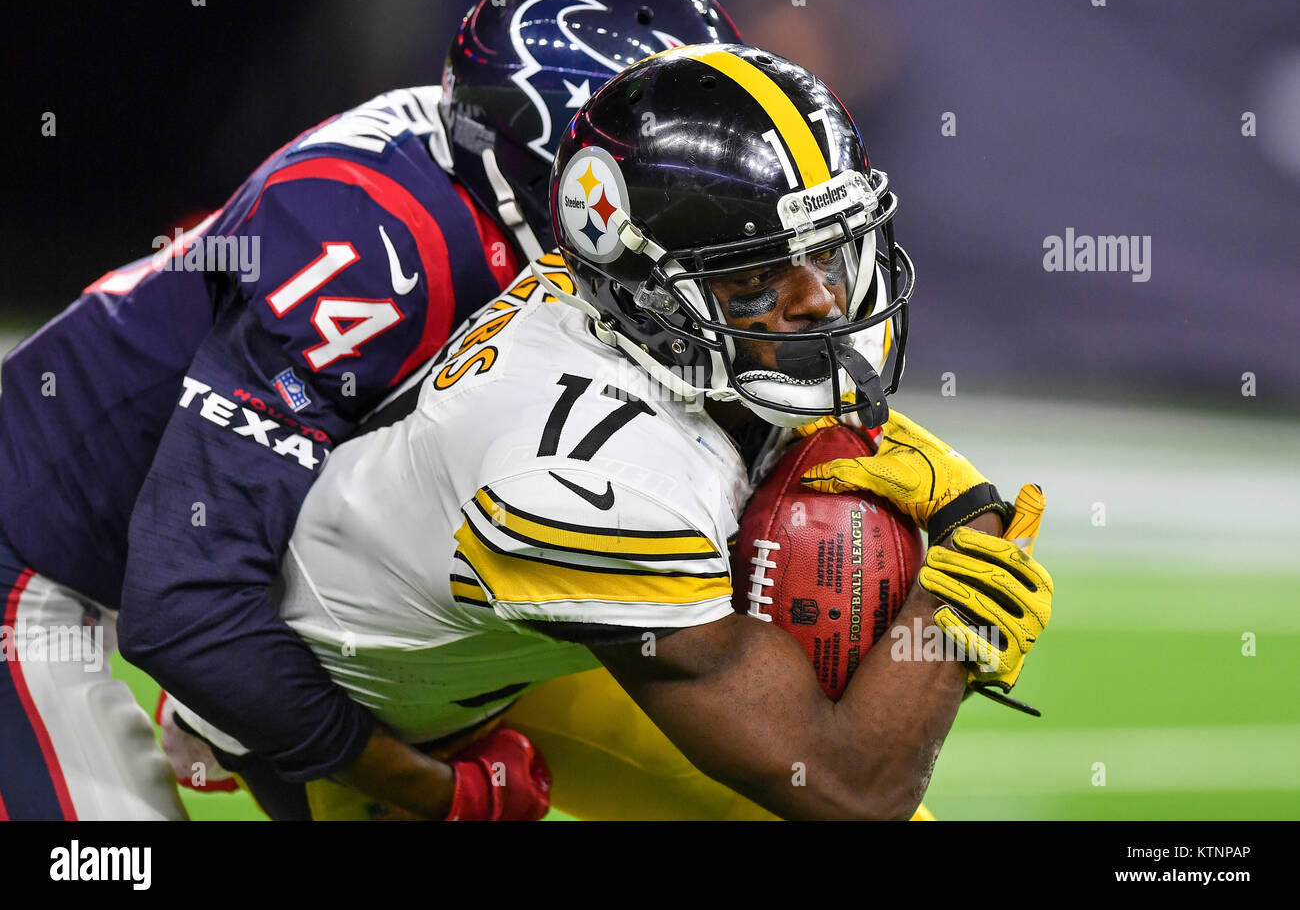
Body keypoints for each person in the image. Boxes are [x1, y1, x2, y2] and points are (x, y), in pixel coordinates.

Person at [204, 43, 1054, 820]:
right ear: (644, 294)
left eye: (827, 252)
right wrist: (958, 585)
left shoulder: (641, 321)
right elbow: (847, 788)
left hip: (513, 645)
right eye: (759, 275)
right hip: (362, 714)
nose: (821, 302)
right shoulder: (595, 473)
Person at [0, 0, 740, 820]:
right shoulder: (378, 244)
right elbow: (188, 608)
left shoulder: (487, 184)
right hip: (40, 562)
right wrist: (438, 789)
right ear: (556, 148)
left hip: (210, 555)